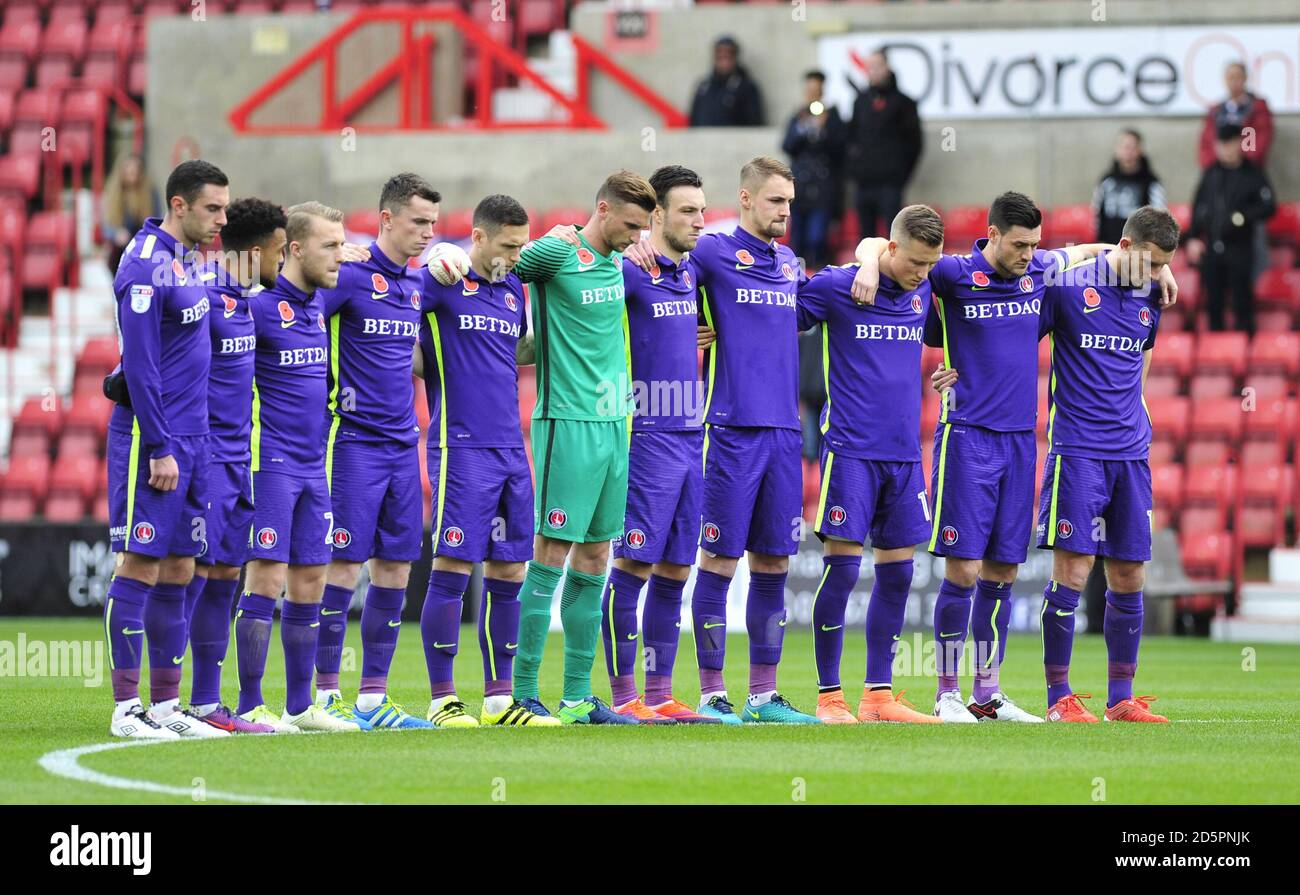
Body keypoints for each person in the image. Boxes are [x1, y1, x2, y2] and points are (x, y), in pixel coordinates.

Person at [857, 191, 1179, 722]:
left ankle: (988, 693)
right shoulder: (954, 273)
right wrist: (870, 262)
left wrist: (1154, 271)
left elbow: (1087, 253)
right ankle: (946, 692)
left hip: (1019, 441)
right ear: (992, 234)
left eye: (1036, 245)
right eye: (1020, 244)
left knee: (1003, 570)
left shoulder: (1045, 272)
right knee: (962, 569)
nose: (1029, 254)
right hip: (966, 435)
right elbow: (886, 248)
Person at [510, 171, 656, 725]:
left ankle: (575, 698)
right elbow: (502, 267)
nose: (637, 236)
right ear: (602, 209)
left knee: (596, 556)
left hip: (614, 424)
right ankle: (522, 693)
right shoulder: (556, 250)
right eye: (630, 225)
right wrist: (448, 258)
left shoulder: (621, 259)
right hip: (565, 421)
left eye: (644, 227)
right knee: (549, 553)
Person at [415, 195, 559, 728]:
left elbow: (514, 353)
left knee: (510, 569)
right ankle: (442, 699)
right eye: (508, 246)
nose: (517, 256)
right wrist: (432, 260)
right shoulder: (444, 281)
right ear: (478, 237)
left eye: (522, 246)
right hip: (461, 447)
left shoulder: (512, 291)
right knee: (453, 566)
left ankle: (500, 700)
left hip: (509, 451)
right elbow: (395, 314)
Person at [1034, 206, 1180, 723]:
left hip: (1131, 455)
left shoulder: (1151, 297)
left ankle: (1121, 698)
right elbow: (1012, 338)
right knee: (1073, 570)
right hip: (1077, 449)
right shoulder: (1068, 290)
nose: (1158, 273)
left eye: (1165, 265)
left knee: (1130, 574)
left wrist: (1161, 273)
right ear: (1122, 246)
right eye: (1152, 262)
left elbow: (1138, 365)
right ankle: (1059, 698)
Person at [798, 205, 944, 725]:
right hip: (851, 453)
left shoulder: (924, 288)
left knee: (898, 574)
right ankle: (829, 697)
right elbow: (773, 317)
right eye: (916, 262)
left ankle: (878, 698)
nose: (922, 274)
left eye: (931, 265)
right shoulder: (840, 287)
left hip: (905, 455)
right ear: (892, 246)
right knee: (841, 572)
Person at [310, 174, 440, 731]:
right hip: (354, 445)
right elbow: (296, 310)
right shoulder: (349, 275)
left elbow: (412, 357)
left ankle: (372, 699)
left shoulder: (416, 286)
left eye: (434, 224)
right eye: (418, 222)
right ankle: (322, 695)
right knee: (341, 567)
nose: (429, 234)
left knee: (394, 568)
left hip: (402, 447)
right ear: (386, 219)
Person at [103, 159, 228, 739]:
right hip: (155, 441)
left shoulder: (189, 261)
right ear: (179, 205)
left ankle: (165, 706)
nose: (221, 219)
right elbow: (142, 365)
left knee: (180, 566)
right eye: (212, 208)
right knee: (140, 564)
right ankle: (127, 709)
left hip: (195, 440)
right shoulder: (145, 266)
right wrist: (158, 447)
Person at [598, 165, 719, 724]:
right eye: (687, 211)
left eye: (701, 210)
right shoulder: (626, 270)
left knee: (676, 569)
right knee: (632, 567)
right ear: (655, 217)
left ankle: (662, 691)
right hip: (645, 436)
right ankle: (624, 697)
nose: (698, 221)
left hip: (691, 437)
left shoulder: (696, 271)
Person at [234, 201, 357, 732]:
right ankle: (248, 703)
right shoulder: (258, 309)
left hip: (315, 466)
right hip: (271, 465)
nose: (340, 255)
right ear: (295, 249)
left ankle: (301, 706)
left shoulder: (320, 305)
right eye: (330, 246)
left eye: (342, 243)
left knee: (310, 580)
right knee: (265, 578)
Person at [187, 197, 287, 735]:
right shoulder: (202, 296)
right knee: (191, 575)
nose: (282, 261)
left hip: (239, 462)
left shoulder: (246, 301)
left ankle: (205, 704)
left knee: (226, 574)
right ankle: (157, 705)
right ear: (254, 251)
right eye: (277, 251)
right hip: (204, 462)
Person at [1185, 124, 1276, 335]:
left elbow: (1268, 206)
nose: (1225, 148)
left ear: (1238, 144)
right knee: (1213, 300)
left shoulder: (1252, 172)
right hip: (1212, 246)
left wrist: (1243, 217)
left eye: (1230, 143)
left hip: (1241, 246)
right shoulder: (1211, 174)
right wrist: (1193, 238)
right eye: (1221, 144)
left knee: (1242, 298)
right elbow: (1198, 208)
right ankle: (1217, 348)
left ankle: (1244, 344)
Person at [846, 49, 922, 239]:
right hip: (863, 183)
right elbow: (851, 137)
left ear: (887, 68)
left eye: (877, 66)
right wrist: (854, 169)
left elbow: (915, 143)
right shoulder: (860, 102)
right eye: (869, 67)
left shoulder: (904, 103)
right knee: (865, 240)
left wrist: (900, 176)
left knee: (893, 237)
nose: (873, 71)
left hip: (890, 183)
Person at [782, 70, 846, 270]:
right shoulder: (798, 116)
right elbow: (787, 145)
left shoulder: (832, 116)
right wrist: (803, 129)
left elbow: (841, 148)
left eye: (816, 90)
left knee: (817, 239)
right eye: (809, 90)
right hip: (798, 189)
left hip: (823, 190)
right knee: (797, 241)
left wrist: (823, 130)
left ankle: (816, 280)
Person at [1093, 129, 1167, 245]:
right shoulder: (1107, 181)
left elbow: (1158, 217)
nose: (1127, 152)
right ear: (1117, 150)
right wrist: (1100, 241)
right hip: (1109, 247)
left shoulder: (1150, 183)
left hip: (1139, 249)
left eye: (1132, 147)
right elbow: (1097, 213)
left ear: (1139, 150)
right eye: (1124, 147)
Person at [1198, 62, 1274, 169]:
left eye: (1238, 77)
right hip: (1219, 168)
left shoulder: (1256, 108)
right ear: (1225, 80)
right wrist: (1218, 155)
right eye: (1230, 77)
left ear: (1245, 78)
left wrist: (1239, 153)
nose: (1234, 81)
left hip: (1247, 169)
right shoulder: (1216, 111)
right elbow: (1206, 141)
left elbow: (1262, 138)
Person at [101, 153, 159, 275]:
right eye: (129, 169)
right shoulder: (113, 195)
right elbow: (106, 227)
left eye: (136, 169)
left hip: (143, 250)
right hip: (120, 252)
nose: (133, 173)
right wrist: (116, 233)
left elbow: (158, 220)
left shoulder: (150, 192)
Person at [688, 36, 765, 127]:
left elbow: (755, 123)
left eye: (729, 54)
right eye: (720, 54)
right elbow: (693, 120)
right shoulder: (704, 88)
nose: (724, 59)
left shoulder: (746, 88)